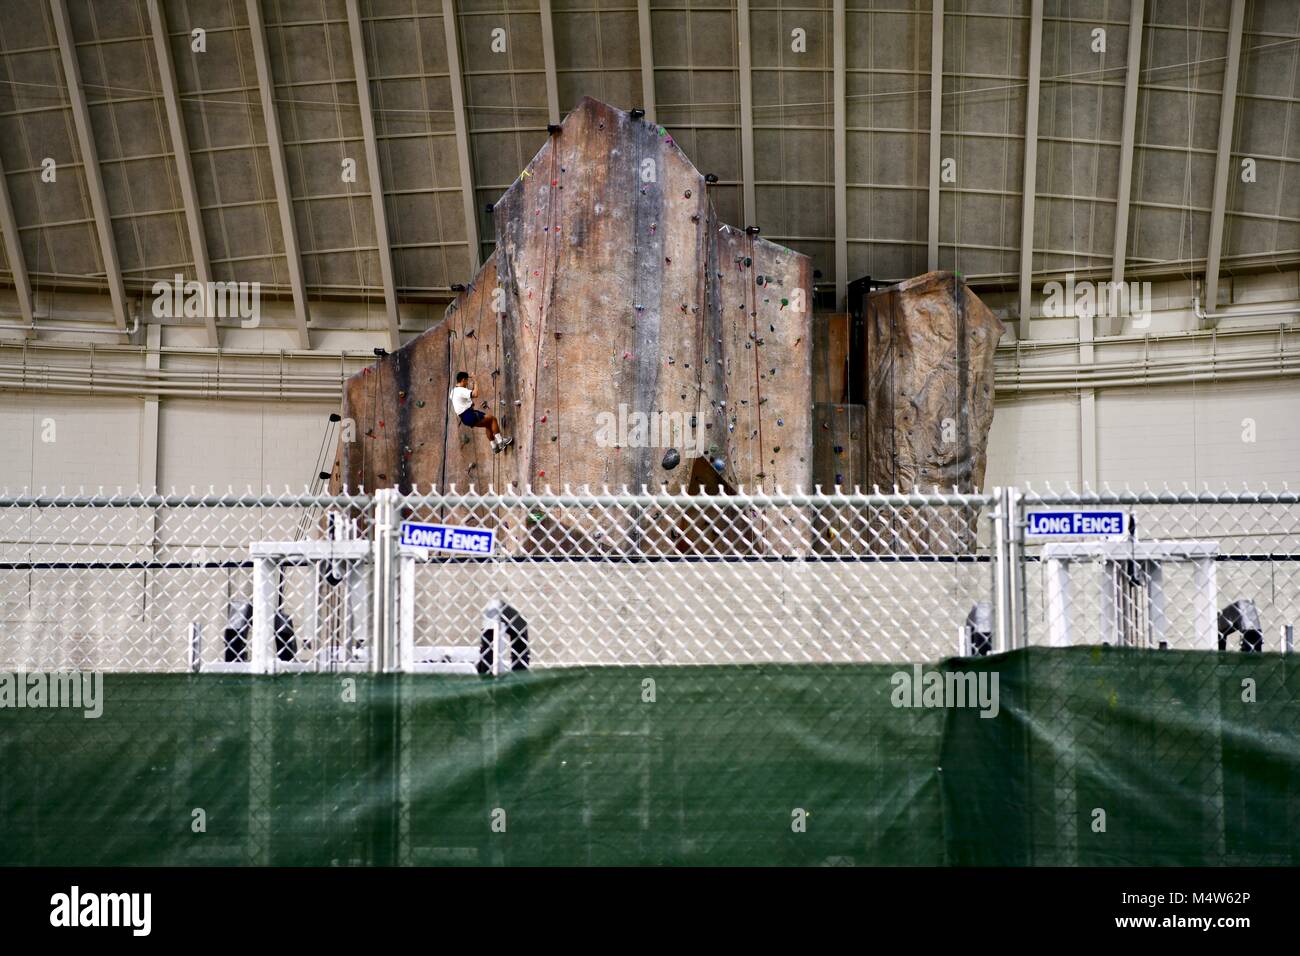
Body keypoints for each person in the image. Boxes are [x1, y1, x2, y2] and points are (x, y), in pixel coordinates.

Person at [451, 371, 512, 453]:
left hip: (464, 417)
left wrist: (468, 403)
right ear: (463, 380)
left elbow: (459, 401)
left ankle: (494, 447)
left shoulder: (453, 392)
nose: (467, 383)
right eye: (466, 381)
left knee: (488, 424)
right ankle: (501, 442)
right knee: (493, 419)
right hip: (469, 414)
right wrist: (476, 381)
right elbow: (475, 394)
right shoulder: (461, 390)